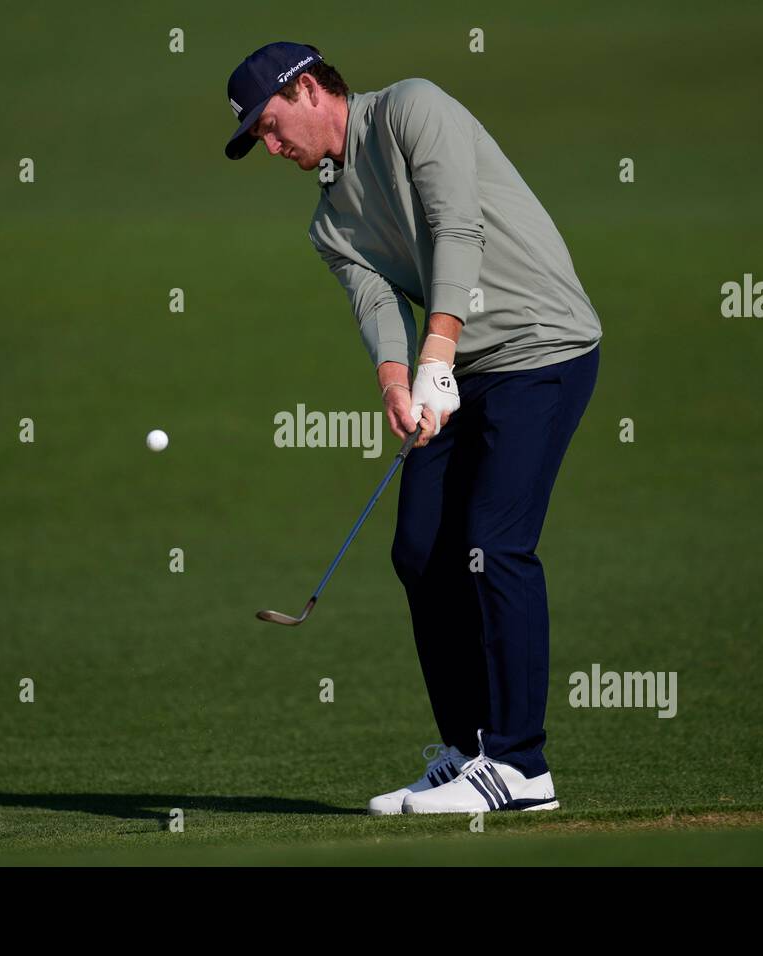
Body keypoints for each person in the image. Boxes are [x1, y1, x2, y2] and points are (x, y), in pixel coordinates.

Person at [225, 42, 602, 814]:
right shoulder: (331, 222)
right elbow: (374, 306)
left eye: (269, 126)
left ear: (306, 90)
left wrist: (437, 354)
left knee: (492, 544)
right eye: (258, 139)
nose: (272, 148)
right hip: (456, 372)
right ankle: (470, 755)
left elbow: (456, 228)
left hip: (542, 346)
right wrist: (399, 385)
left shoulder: (411, 109)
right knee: (421, 550)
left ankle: (522, 767)